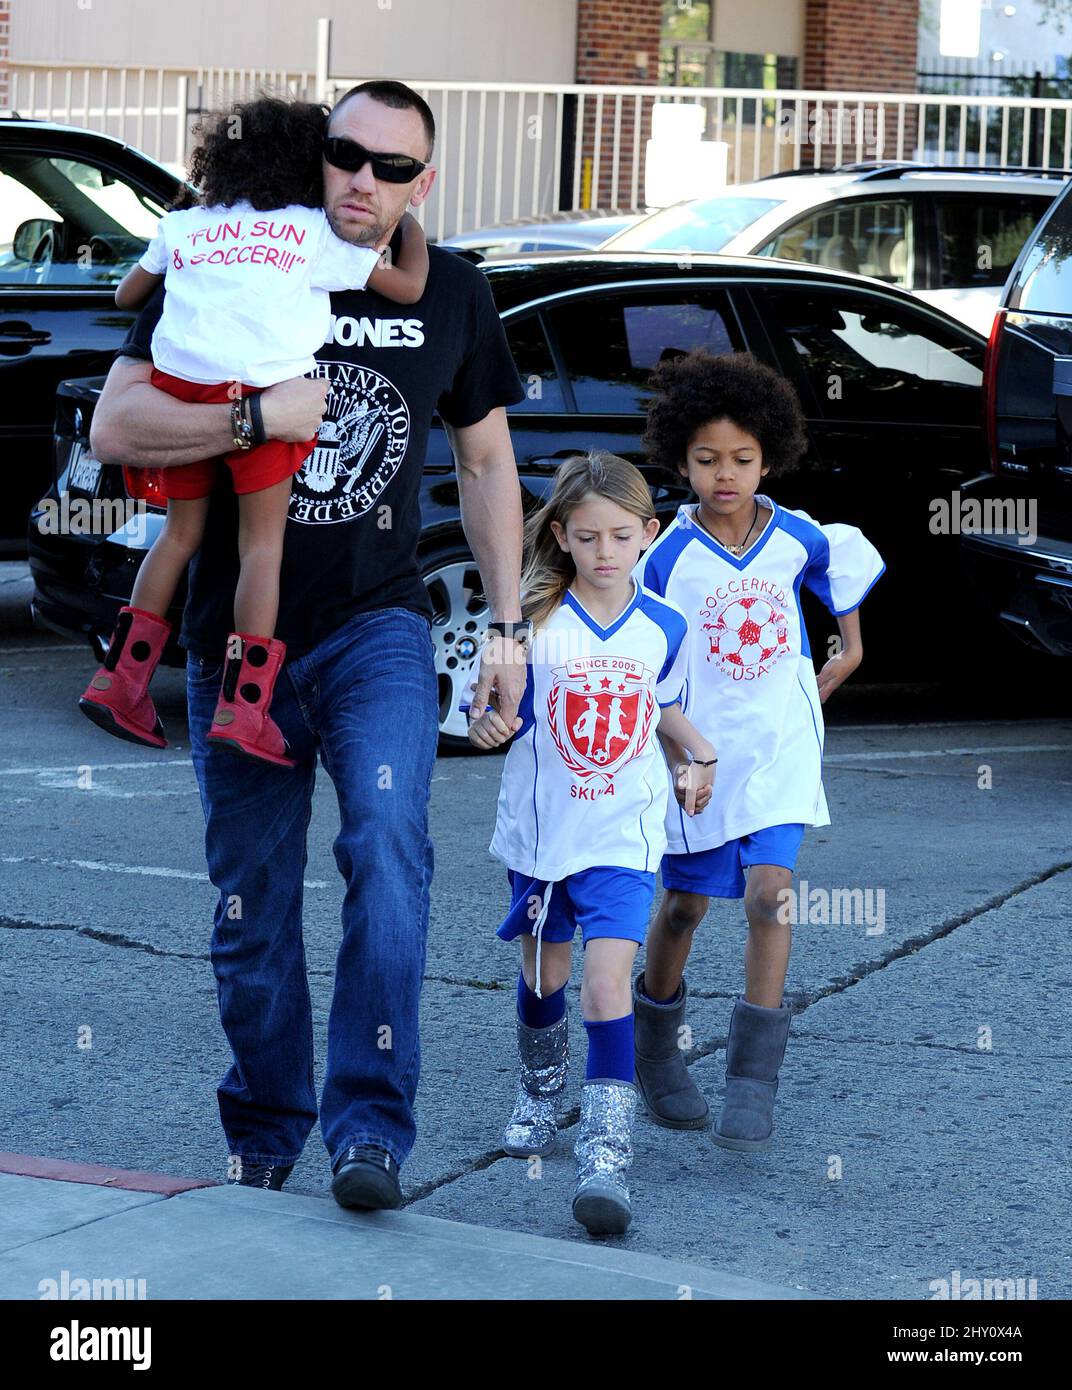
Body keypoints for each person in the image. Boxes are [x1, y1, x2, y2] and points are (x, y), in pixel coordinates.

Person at [88, 80, 528, 1207]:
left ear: (423, 183)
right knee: (252, 896)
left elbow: (485, 462)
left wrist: (508, 626)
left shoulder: (451, 292)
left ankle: (368, 1131)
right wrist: (252, 419)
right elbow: (117, 424)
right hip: (235, 638)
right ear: (313, 153)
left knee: (387, 849)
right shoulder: (228, 249)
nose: (362, 180)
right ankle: (265, 1131)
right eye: (345, 153)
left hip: (377, 627)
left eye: (392, 167)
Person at [79, 96, 429, 768]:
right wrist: (408, 224)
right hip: (267, 402)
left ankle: (119, 682)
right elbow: (408, 288)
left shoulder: (185, 223)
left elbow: (127, 296)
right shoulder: (310, 232)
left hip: (182, 395)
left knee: (178, 537)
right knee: (261, 549)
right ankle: (245, 709)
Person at [631, 350, 885, 1149]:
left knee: (771, 894)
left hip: (778, 748)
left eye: (742, 459)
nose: (725, 475)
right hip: (699, 754)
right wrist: (672, 748)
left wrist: (847, 649)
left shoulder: (795, 536)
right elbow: (643, 653)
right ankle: (654, 1048)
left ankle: (751, 1080)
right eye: (707, 459)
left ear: (768, 459)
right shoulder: (666, 557)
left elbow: (843, 563)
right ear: (681, 462)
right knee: (684, 906)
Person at [467, 451, 716, 1235]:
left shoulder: (666, 625)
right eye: (586, 537)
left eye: (618, 536)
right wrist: (487, 724)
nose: (604, 552)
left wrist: (697, 753)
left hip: (624, 837)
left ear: (648, 533)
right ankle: (540, 1089)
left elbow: (656, 704)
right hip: (544, 838)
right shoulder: (530, 624)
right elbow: (490, 711)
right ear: (561, 537)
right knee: (545, 978)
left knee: (606, 989)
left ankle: (606, 1157)